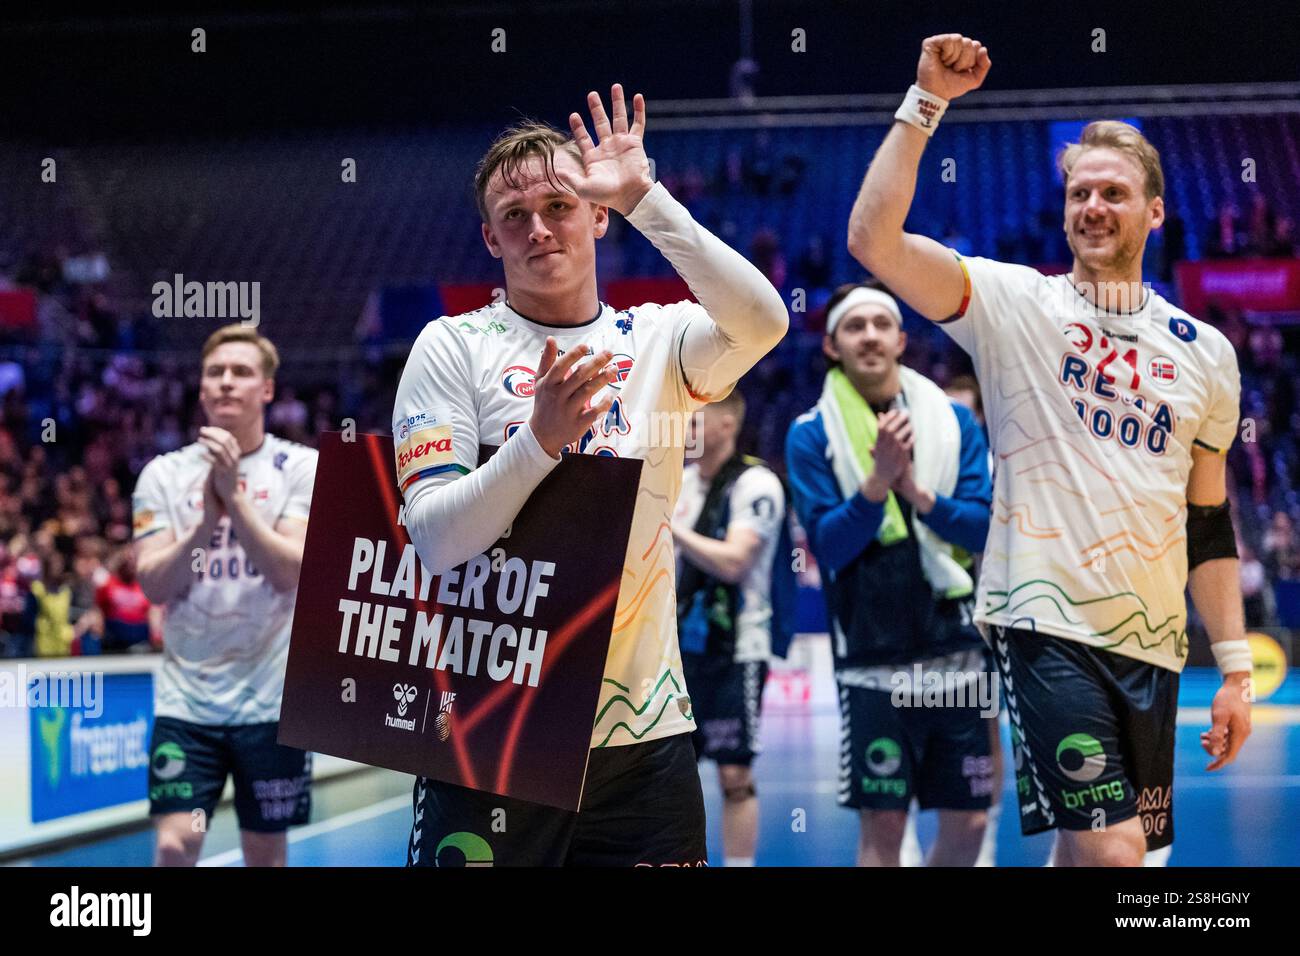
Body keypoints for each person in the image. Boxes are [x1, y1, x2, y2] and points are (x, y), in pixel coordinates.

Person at [847, 33, 1251, 866]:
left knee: (1095, 853)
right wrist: (926, 102)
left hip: (1151, 640)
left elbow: (1208, 520)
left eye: (1113, 193)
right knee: (1115, 853)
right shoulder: (1013, 303)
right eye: (1080, 193)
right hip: (1041, 621)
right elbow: (873, 242)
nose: (1093, 207)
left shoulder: (1206, 353)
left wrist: (1238, 668)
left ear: (1154, 212)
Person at [392, 85, 787, 866]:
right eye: (515, 216)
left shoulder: (660, 338)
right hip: (496, 729)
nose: (539, 228)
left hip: (645, 736)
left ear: (598, 215)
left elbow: (764, 320)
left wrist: (647, 196)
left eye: (559, 205)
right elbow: (435, 538)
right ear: (490, 239)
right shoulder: (452, 346)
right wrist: (539, 441)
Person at [786, 281, 995, 866]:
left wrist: (920, 496)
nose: (870, 335)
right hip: (871, 666)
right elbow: (828, 546)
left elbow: (982, 529)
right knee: (883, 824)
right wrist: (876, 486)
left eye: (882, 324)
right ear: (832, 347)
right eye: (855, 327)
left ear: (902, 339)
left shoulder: (955, 423)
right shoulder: (811, 434)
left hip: (958, 655)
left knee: (972, 818)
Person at [132, 324, 318, 866]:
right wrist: (205, 522)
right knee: (176, 843)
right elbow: (155, 583)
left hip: (271, 706)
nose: (226, 382)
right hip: (186, 706)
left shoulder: (300, 467)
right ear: (201, 389)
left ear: (267, 390)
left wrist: (234, 500)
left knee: (265, 855)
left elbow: (289, 572)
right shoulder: (163, 475)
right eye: (215, 373)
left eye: (241, 372)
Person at [671, 391, 785, 866]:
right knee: (671, 777)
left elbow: (736, 561)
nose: (687, 430)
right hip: (677, 650)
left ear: (727, 425)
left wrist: (666, 527)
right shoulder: (678, 483)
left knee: (735, 775)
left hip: (736, 649)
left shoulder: (756, 483)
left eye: (697, 421)